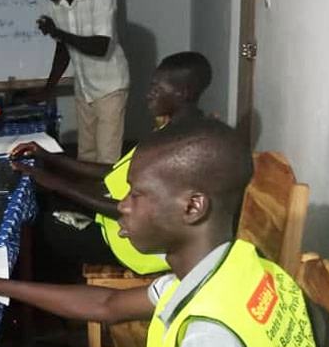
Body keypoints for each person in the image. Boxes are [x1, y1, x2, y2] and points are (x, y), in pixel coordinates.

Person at [0, 119, 317, 347]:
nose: (123, 206)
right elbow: (107, 306)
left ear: (192, 206)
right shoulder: (236, 270)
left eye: (138, 194)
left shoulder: (209, 338)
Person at [12, 51, 212, 275]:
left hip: (134, 243)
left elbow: (131, 211)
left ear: (181, 93)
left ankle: (61, 302)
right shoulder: (172, 131)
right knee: (49, 200)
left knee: (44, 228)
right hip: (117, 218)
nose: (148, 95)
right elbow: (113, 172)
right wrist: (49, 158)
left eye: (157, 88)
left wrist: (57, 183)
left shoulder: (177, 146)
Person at [35, 0, 129, 163]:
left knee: (106, 159)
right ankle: (85, 193)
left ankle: (105, 195)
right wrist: (48, 89)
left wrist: (58, 32)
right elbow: (63, 50)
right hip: (84, 89)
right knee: (86, 157)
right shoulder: (55, 6)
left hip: (110, 88)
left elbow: (100, 46)